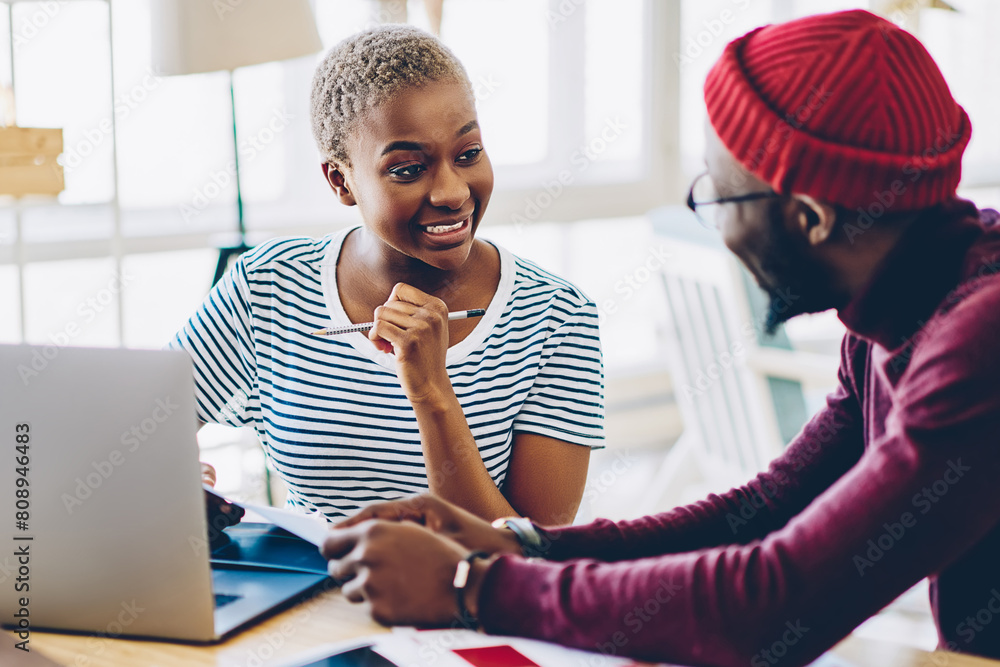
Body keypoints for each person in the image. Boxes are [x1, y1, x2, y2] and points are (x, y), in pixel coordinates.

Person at [319, 10, 1000, 665]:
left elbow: (773, 606)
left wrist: (470, 587)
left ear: (812, 217)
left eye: (719, 198)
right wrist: (526, 549)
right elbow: (765, 511)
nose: (717, 227)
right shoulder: (901, 301)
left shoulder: (979, 341)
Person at [170, 25, 604, 524]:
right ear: (341, 180)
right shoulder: (266, 288)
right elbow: (130, 437)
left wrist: (431, 391)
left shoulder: (556, 317)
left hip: (469, 603)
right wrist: (167, 478)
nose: (452, 192)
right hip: (309, 599)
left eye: (468, 155)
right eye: (407, 168)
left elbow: (535, 558)